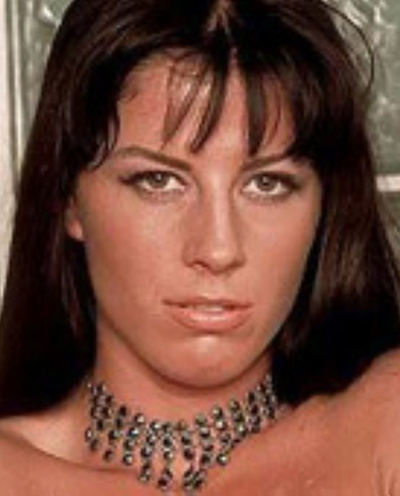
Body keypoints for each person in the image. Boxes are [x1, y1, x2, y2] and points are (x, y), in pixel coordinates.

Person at [0, 0, 400, 494]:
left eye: (267, 184)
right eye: (158, 180)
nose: (218, 249)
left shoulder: (381, 427)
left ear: (325, 204)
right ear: (69, 199)